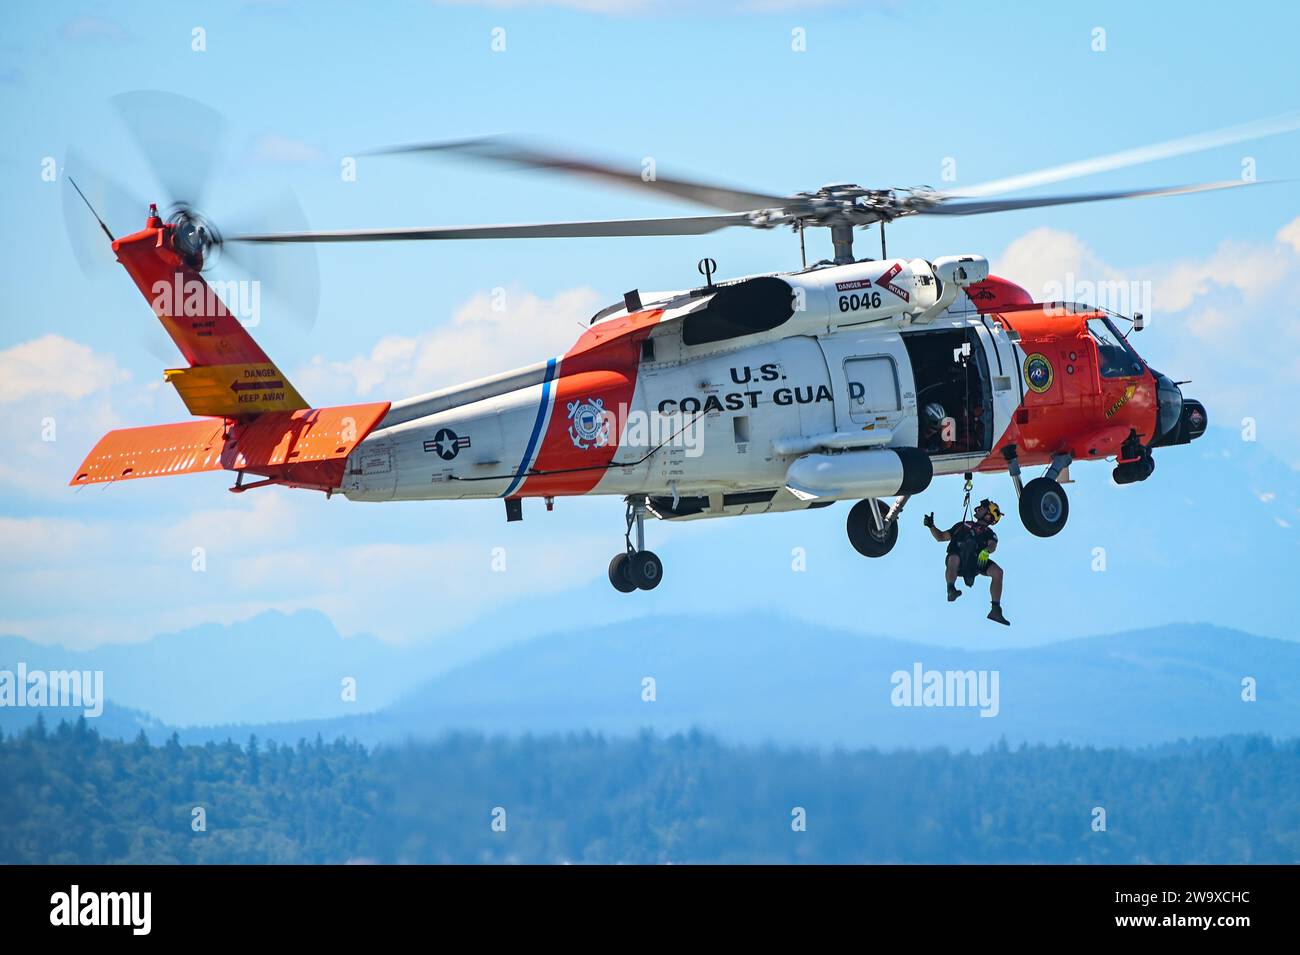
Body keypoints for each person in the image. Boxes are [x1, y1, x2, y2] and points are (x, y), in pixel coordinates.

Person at [923, 500, 1010, 625]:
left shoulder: (989, 533)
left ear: (988, 515)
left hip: (975, 561)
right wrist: (931, 526)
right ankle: (951, 589)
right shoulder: (962, 525)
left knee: (998, 572)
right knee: (954, 558)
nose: (978, 508)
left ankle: (995, 610)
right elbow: (940, 537)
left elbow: (992, 545)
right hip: (957, 558)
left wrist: (986, 551)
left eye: (982, 508)